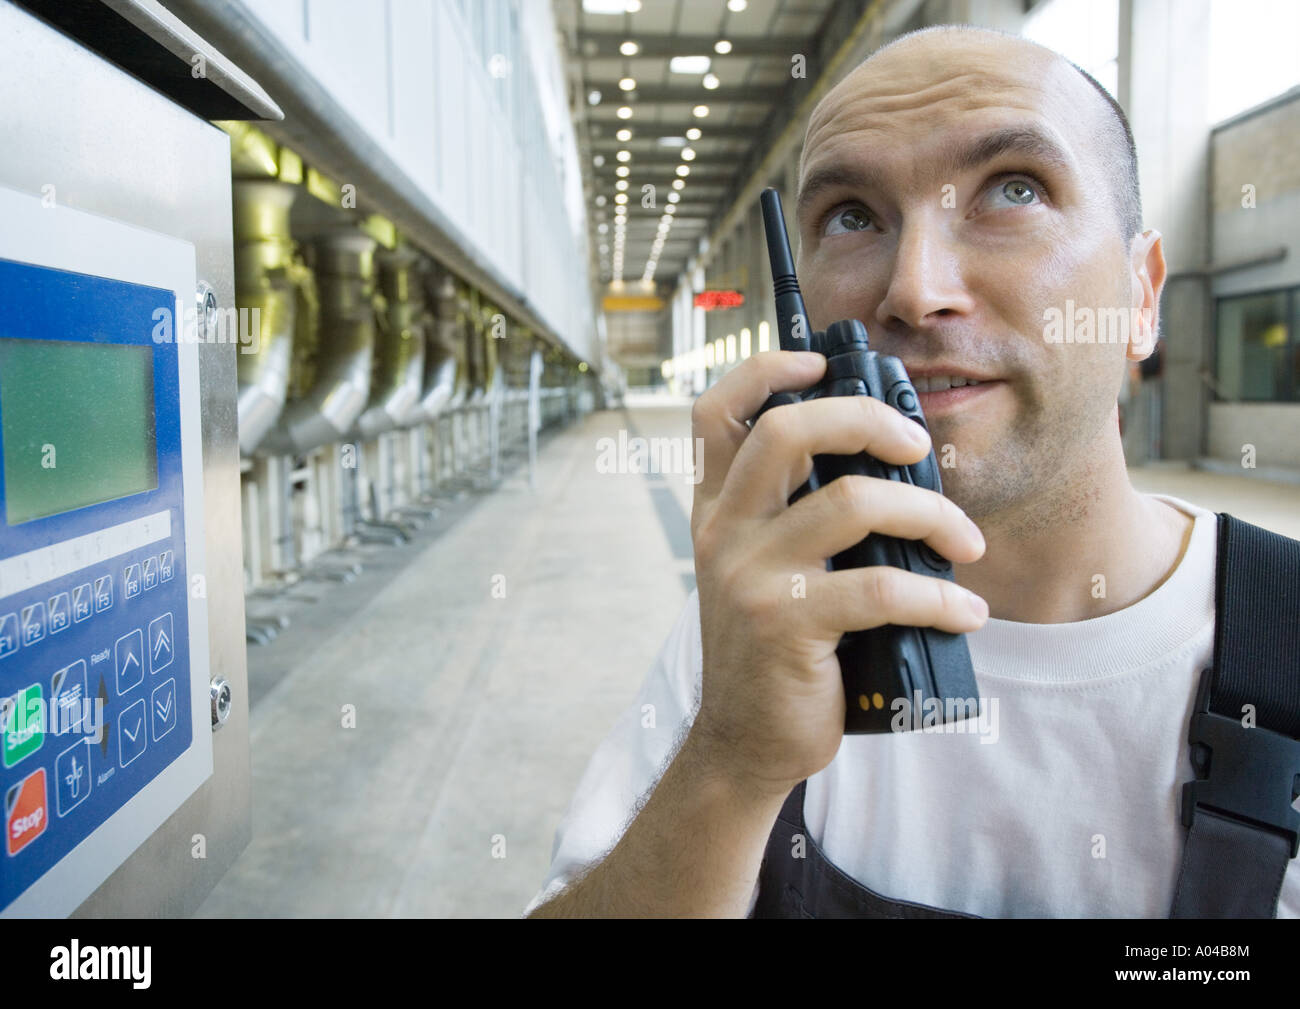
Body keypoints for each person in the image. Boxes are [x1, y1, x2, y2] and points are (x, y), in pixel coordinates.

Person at [526, 24, 1300, 917]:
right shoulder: (757, 626)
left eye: (1013, 190)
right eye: (852, 215)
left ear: (1140, 296)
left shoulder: (1277, 644)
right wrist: (732, 760)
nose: (912, 289)